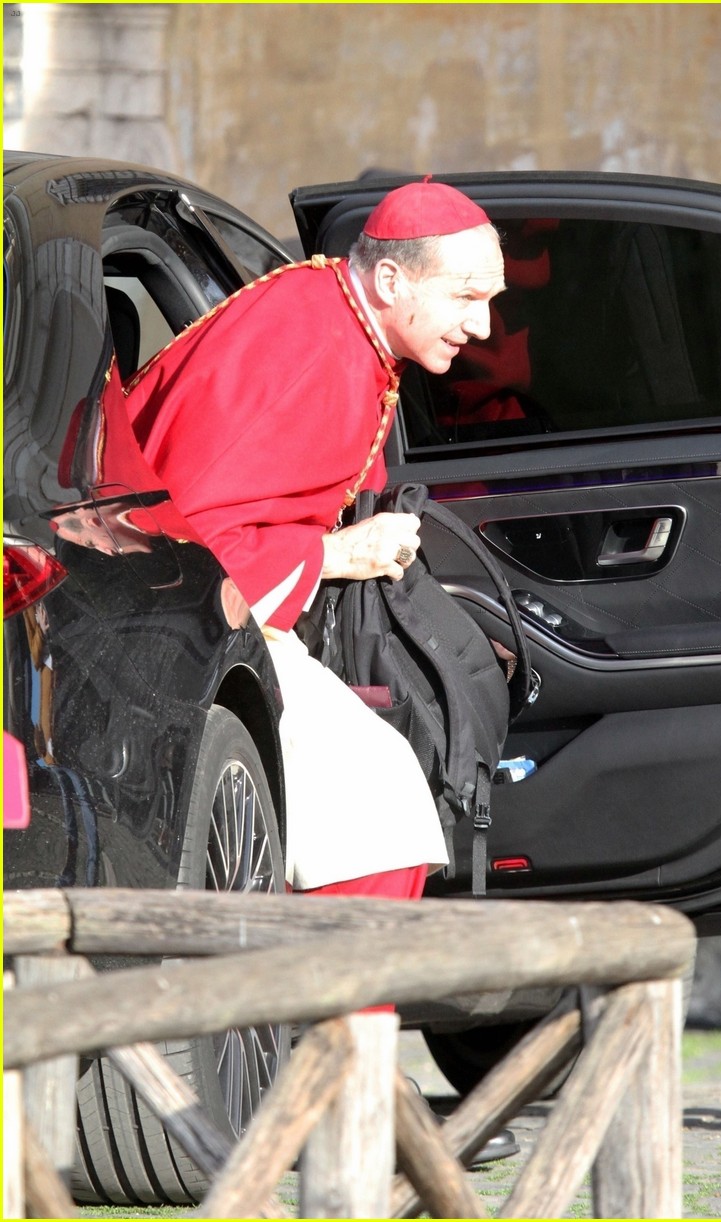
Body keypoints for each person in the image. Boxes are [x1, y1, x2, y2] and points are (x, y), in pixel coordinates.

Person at [123, 180, 507, 910]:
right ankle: (332, 988)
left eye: (490, 299)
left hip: (244, 610)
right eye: (466, 297)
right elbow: (190, 553)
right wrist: (343, 555)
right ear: (390, 281)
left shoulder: (341, 320)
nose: (484, 326)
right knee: (379, 815)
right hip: (173, 631)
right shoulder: (304, 346)